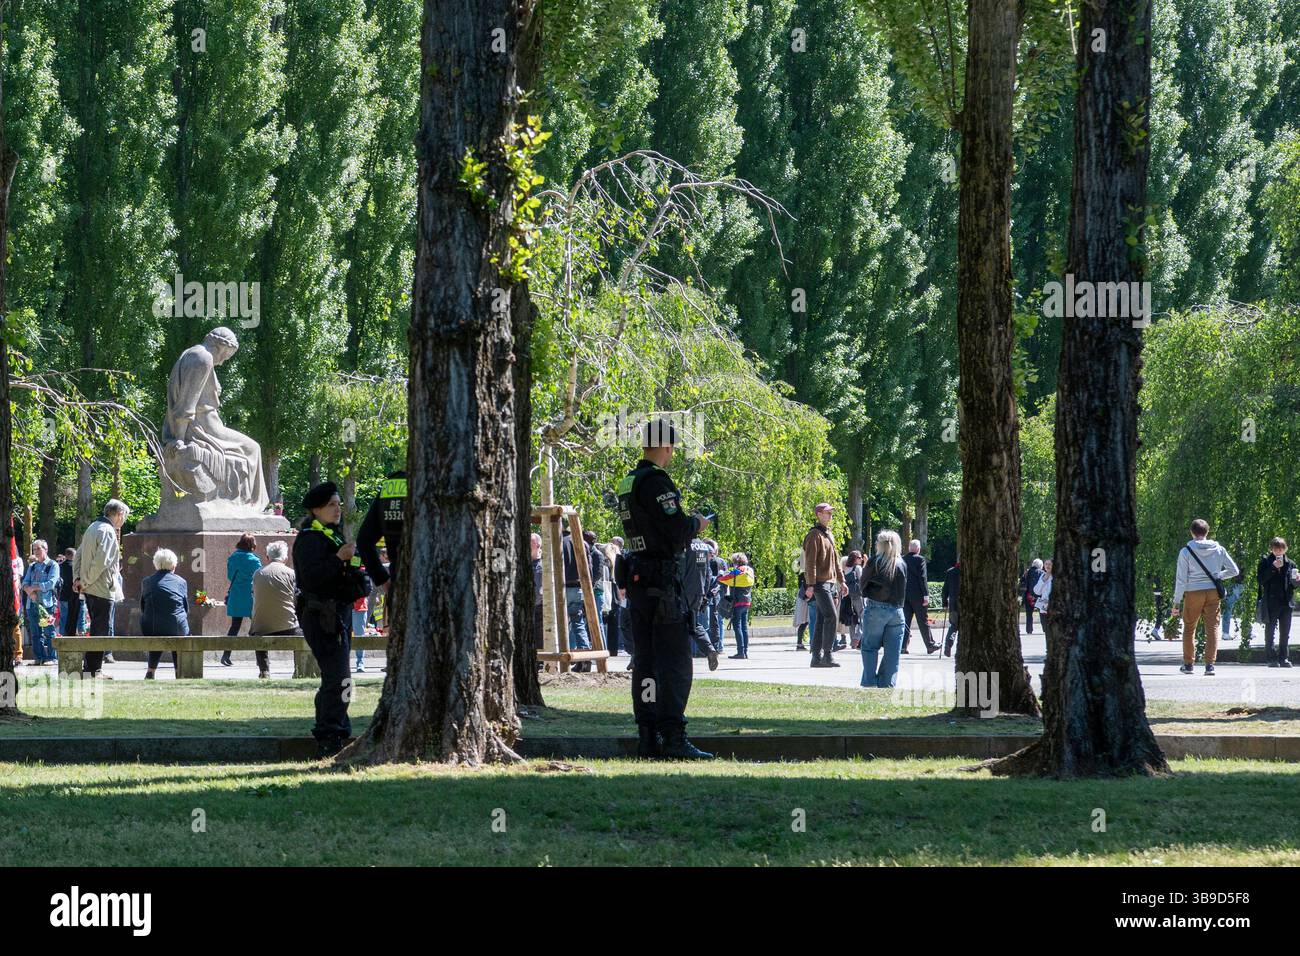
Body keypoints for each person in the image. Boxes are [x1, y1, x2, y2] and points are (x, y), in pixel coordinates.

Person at [615, 417, 713, 759]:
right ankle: (673, 736)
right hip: (661, 581)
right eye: (671, 450)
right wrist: (696, 524)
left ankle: (647, 734)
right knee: (674, 662)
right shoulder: (657, 482)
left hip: (638, 579)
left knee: (645, 662)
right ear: (666, 447)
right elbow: (675, 530)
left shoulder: (629, 481)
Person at [293, 482, 371, 756]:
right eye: (331, 505)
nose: (337, 509)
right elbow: (313, 577)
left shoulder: (333, 536)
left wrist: (359, 577)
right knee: (340, 679)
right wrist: (339, 558)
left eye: (338, 504)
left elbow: (351, 575)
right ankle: (329, 736)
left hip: (341, 614)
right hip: (321, 616)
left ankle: (336, 728)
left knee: (337, 678)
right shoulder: (309, 539)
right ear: (316, 510)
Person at [1171, 518, 1239, 676]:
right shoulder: (1219, 548)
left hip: (1193, 592)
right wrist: (1217, 576)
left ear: (1192, 532)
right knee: (1212, 629)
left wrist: (1176, 602)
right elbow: (1234, 570)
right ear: (1207, 532)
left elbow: (1181, 580)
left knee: (1189, 628)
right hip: (1213, 592)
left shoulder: (1186, 551)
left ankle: (1189, 664)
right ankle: (1210, 666)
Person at [72, 499, 129, 677]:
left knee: (96, 628)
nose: (124, 521)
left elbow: (78, 555)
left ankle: (90, 668)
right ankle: (94, 670)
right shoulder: (108, 531)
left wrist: (78, 579)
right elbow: (101, 561)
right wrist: (85, 581)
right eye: (124, 517)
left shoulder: (92, 528)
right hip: (102, 588)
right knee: (100, 630)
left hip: (90, 588)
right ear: (119, 514)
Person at [858, 530, 908, 687]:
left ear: (881, 544)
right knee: (893, 652)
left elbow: (862, 584)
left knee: (869, 647)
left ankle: (870, 681)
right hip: (897, 611)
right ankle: (887, 683)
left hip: (876, 608)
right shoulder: (901, 563)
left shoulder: (875, 562)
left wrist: (867, 594)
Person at [802, 503, 847, 668]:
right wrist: (811, 584)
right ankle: (827, 655)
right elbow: (810, 563)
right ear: (819, 514)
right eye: (828, 512)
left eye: (830, 513)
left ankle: (816, 658)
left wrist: (842, 581)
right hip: (820, 583)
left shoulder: (829, 535)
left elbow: (836, 562)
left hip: (829, 583)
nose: (830, 515)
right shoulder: (814, 535)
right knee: (832, 616)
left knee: (822, 619)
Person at [250, 540, 300, 679]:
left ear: (267, 557)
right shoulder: (291, 574)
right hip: (288, 626)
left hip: (261, 627)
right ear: (285, 558)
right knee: (304, 633)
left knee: (254, 630)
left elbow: (254, 596)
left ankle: (264, 670)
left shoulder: (257, 574)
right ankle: (299, 669)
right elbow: (297, 599)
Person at [141, 549, 190, 679]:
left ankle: (151, 670)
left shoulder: (147, 582)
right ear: (174, 565)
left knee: (156, 624)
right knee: (176, 625)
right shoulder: (181, 582)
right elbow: (185, 608)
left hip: (151, 627)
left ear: (155, 565)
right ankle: (178, 671)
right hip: (177, 627)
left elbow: (143, 606)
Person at [221, 533, 262, 667]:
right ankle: (260, 658)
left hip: (236, 595)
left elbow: (229, 576)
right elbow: (259, 578)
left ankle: (225, 655)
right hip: (251, 596)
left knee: (234, 627)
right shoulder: (255, 560)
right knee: (256, 628)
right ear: (252, 545)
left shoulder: (232, 558)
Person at [1256, 537, 1298, 668]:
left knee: (1285, 632)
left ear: (1285, 549)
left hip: (1286, 602)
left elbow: (1293, 585)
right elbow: (1261, 580)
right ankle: (1271, 658)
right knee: (1270, 631)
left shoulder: (1291, 563)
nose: (1279, 551)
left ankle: (1283, 658)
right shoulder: (1266, 561)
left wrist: (1297, 580)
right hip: (1271, 602)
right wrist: (1273, 568)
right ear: (1272, 549)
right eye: (1276, 548)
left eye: (1281, 548)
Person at [21, 539, 59, 665]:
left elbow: (51, 584)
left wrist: (34, 587)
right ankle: (39, 657)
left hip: (47, 605)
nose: (36, 552)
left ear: (45, 549)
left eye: (38, 549)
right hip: (31, 605)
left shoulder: (52, 565)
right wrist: (30, 592)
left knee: (49, 632)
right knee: (36, 633)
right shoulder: (32, 566)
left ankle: (52, 658)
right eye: (34, 549)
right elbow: (24, 583)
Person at [560, 528, 594, 671]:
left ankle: (564, 659)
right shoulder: (581, 542)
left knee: (560, 626)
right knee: (578, 622)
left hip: (563, 587)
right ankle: (585, 657)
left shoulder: (558, 542)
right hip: (579, 586)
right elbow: (589, 567)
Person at [901, 539, 936, 654]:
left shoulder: (902, 559)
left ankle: (903, 646)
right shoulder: (920, 559)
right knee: (923, 621)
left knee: (905, 622)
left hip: (905, 595)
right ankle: (930, 645)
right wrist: (926, 595)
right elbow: (922, 578)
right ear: (918, 549)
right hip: (918, 595)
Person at [718, 553, 754, 659]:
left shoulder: (736, 571)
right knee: (744, 627)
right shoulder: (750, 571)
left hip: (737, 602)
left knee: (737, 627)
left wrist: (720, 574)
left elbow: (723, 579)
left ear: (736, 562)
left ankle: (740, 652)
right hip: (747, 602)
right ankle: (745, 651)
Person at [841, 550, 864, 650]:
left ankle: (852, 640)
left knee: (852, 618)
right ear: (855, 559)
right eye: (859, 558)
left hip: (848, 596)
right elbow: (863, 581)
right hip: (858, 596)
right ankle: (857, 638)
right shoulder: (857, 568)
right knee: (863, 617)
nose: (861, 559)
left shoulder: (845, 568)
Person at [941, 558, 961, 657]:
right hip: (966, 605)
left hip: (954, 604)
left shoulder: (951, 572)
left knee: (954, 626)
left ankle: (948, 646)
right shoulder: (971, 572)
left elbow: (945, 589)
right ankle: (960, 649)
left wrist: (944, 602)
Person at [1021, 559, 1044, 634]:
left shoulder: (1027, 572)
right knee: (1042, 613)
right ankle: (1044, 628)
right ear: (1040, 566)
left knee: (1029, 614)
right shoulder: (1042, 573)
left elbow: (1022, 581)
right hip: (1039, 596)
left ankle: (1029, 630)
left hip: (1028, 595)